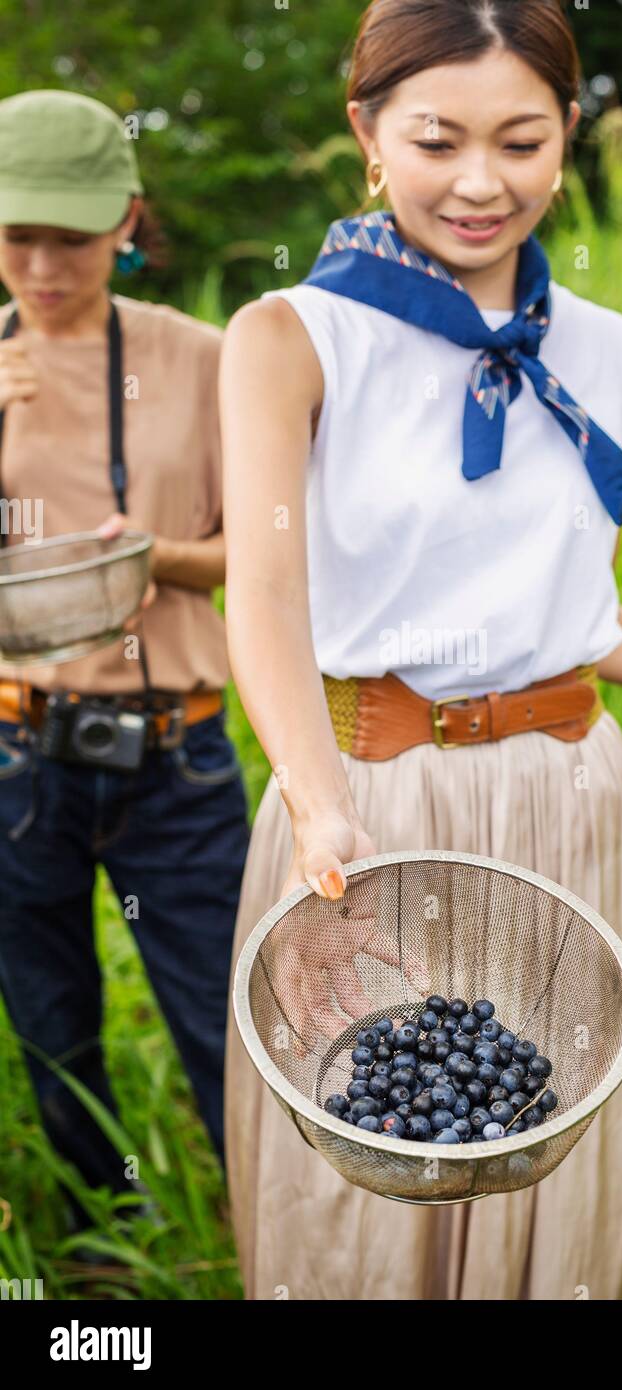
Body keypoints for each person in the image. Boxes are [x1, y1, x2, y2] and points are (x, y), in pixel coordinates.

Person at [219, 0, 622, 1300]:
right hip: (369, 806)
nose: (478, 182)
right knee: (381, 1161)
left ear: (567, 135)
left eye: (519, 140)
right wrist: (318, 801)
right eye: (435, 138)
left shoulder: (613, 353)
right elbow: (267, 600)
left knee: (558, 1142)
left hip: (578, 801)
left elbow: (574, 616)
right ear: (366, 134)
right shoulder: (292, 336)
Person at [0, 89, 249, 1237]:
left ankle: (282, 1238)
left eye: (74, 234)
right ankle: (113, 1244)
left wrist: (159, 560)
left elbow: (271, 551)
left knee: (237, 1023)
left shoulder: (206, 359)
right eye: (18, 236)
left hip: (176, 758)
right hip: (17, 756)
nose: (44, 265)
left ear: (128, 221)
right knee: (54, 1026)